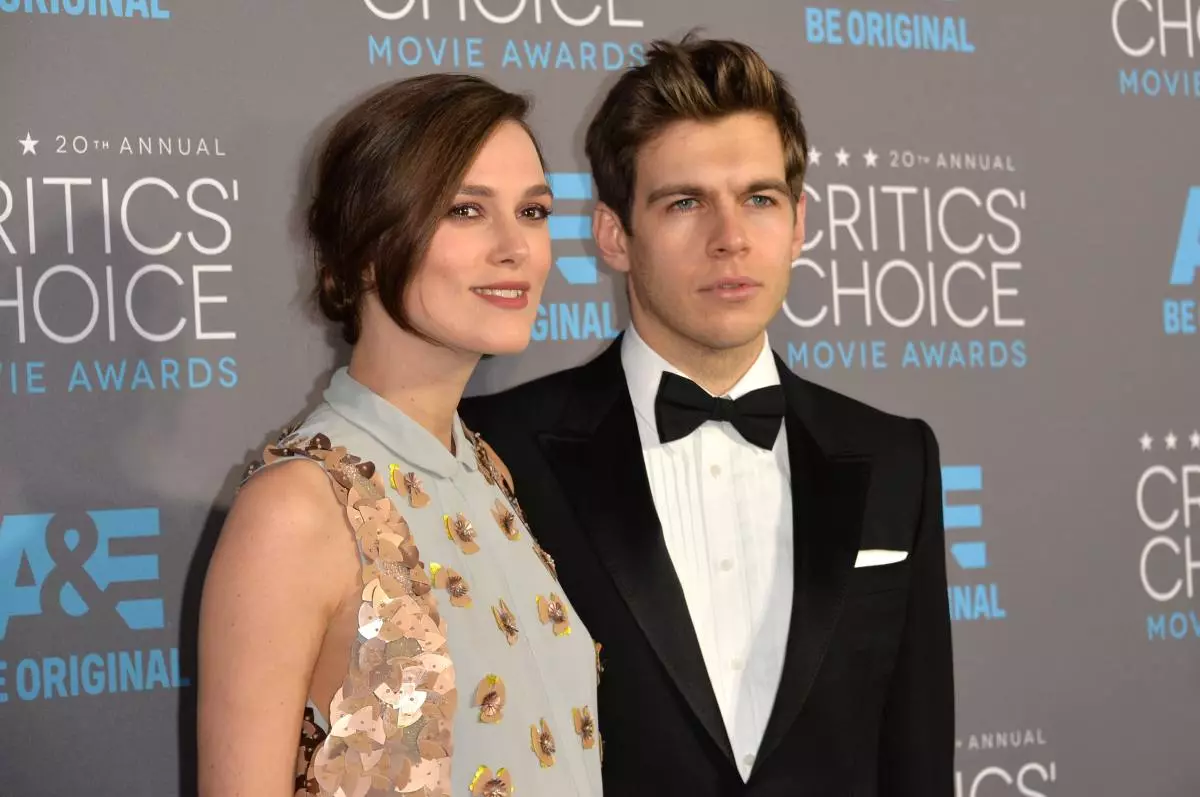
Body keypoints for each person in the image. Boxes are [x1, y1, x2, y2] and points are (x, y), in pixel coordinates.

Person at [459, 34, 954, 796]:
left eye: (760, 198)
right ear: (614, 235)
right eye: (685, 202)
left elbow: (915, 756)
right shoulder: (496, 451)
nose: (730, 238)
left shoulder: (897, 458)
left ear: (799, 225)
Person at [197, 74, 603, 797]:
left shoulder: (486, 471)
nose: (517, 247)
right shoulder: (296, 510)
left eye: (534, 211)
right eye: (465, 210)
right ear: (367, 249)